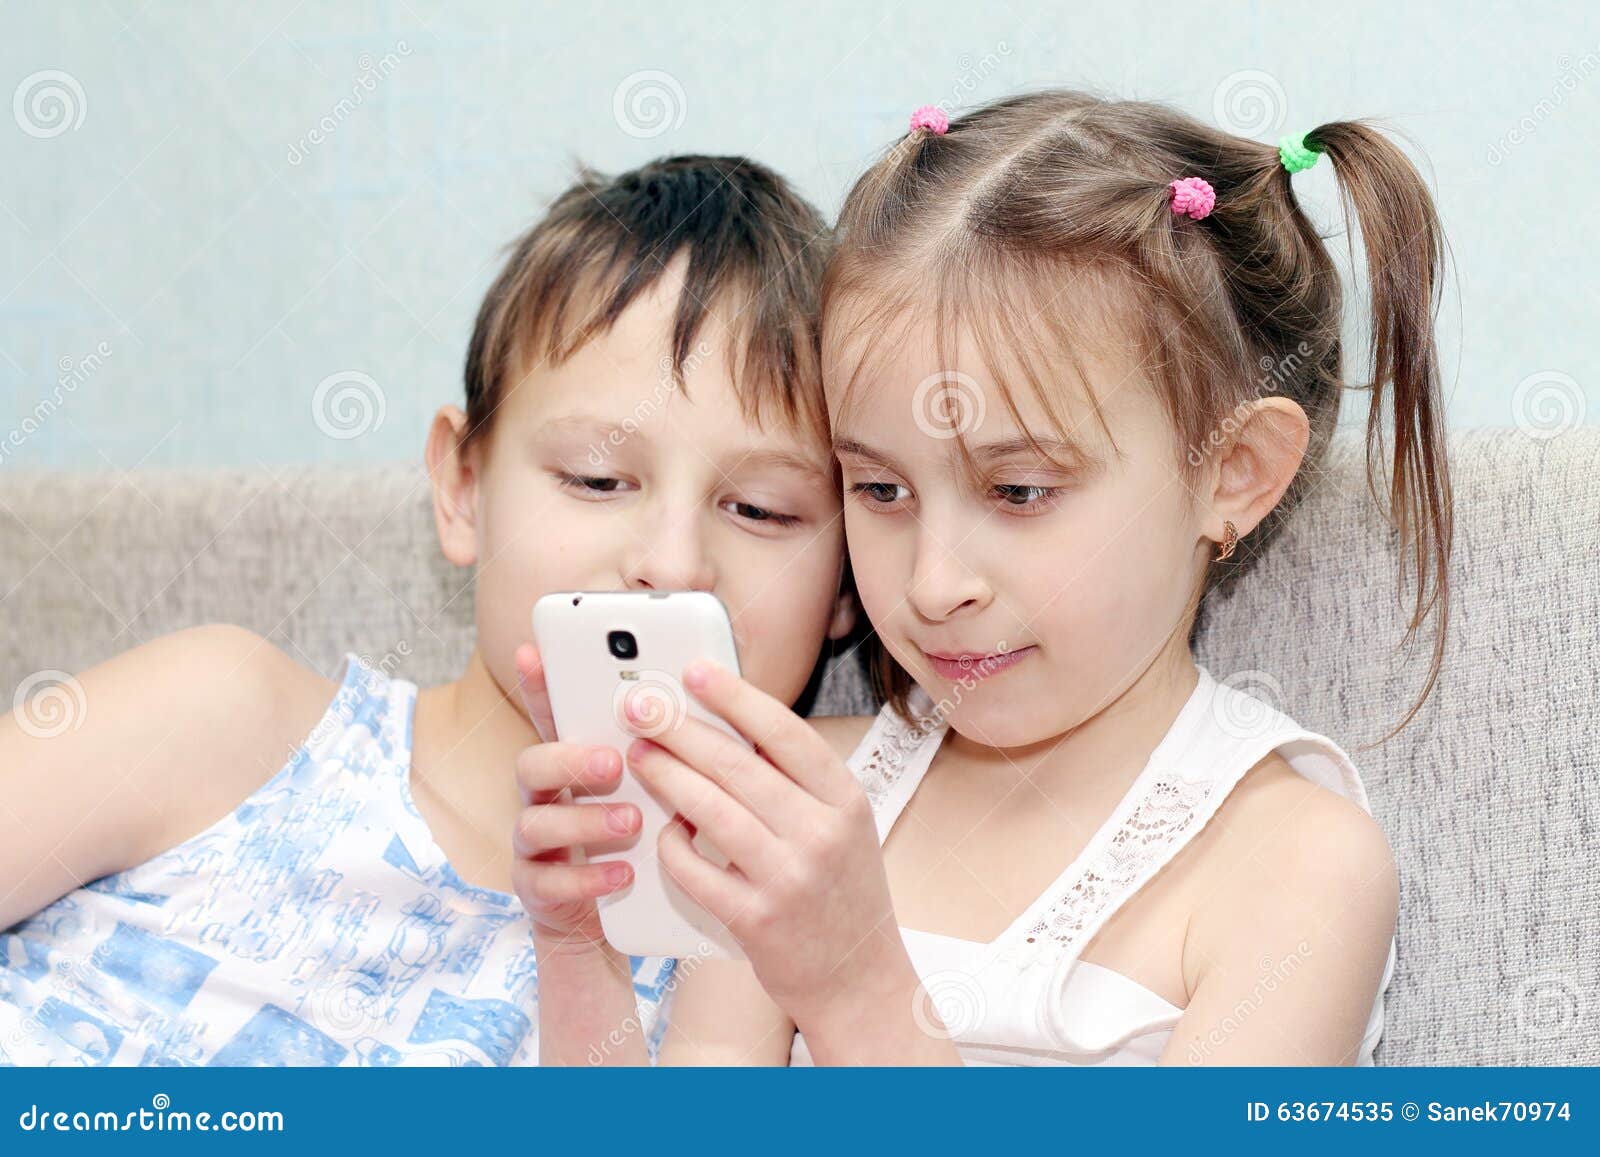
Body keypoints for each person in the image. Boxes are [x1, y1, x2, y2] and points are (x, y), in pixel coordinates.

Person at [517, 92, 1452, 1066]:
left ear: (1234, 471)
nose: (932, 583)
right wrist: (580, 943)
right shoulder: (803, 795)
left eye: (1017, 489)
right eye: (878, 487)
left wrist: (855, 988)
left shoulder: (1293, 863)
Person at [0, 154, 855, 1066]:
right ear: (460, 486)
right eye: (597, 478)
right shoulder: (221, 712)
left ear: (846, 586)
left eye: (761, 509)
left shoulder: (751, 962)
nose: (674, 565)